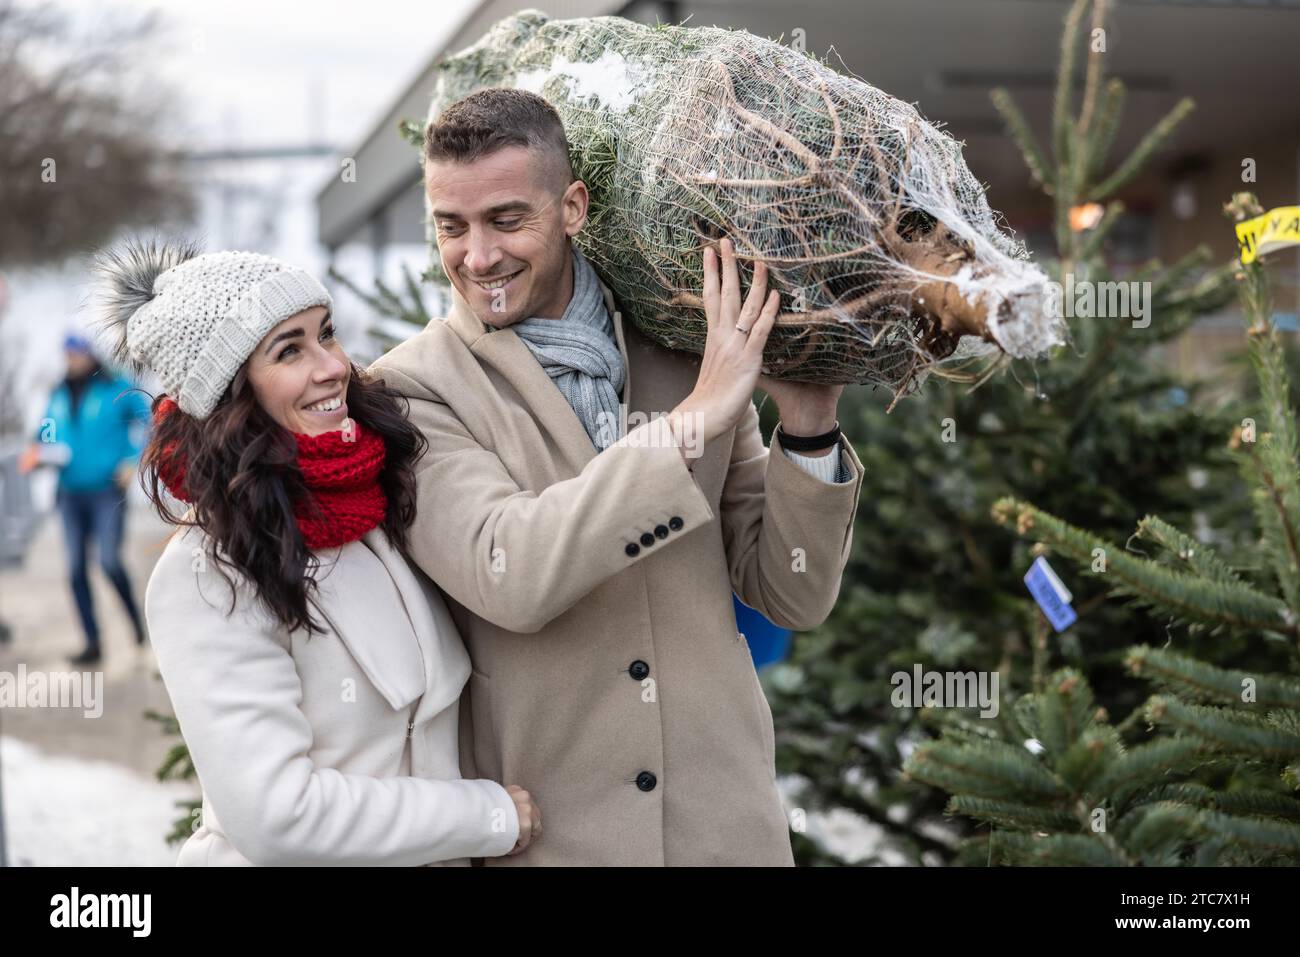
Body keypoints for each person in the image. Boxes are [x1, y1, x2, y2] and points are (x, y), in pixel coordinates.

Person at [368, 87, 864, 865]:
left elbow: (793, 592)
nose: (478, 256)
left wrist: (808, 424)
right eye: (450, 226)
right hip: (556, 842)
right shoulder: (408, 389)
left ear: (572, 206)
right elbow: (512, 573)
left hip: (728, 832)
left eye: (506, 219)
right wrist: (694, 419)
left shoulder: (682, 349)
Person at [96, 239, 539, 865]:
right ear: (229, 395)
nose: (331, 365)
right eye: (289, 350)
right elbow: (279, 816)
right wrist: (482, 815)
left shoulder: (371, 509)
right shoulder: (207, 572)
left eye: (326, 335)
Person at [19, 334, 150, 664]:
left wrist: (132, 460)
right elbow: (46, 429)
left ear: (90, 355)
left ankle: (136, 622)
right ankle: (92, 642)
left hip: (106, 491)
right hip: (69, 493)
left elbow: (150, 422)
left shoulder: (116, 387)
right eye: (67, 355)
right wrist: (40, 451)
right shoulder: (58, 391)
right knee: (75, 568)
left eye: (76, 354)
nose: (71, 361)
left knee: (108, 561)